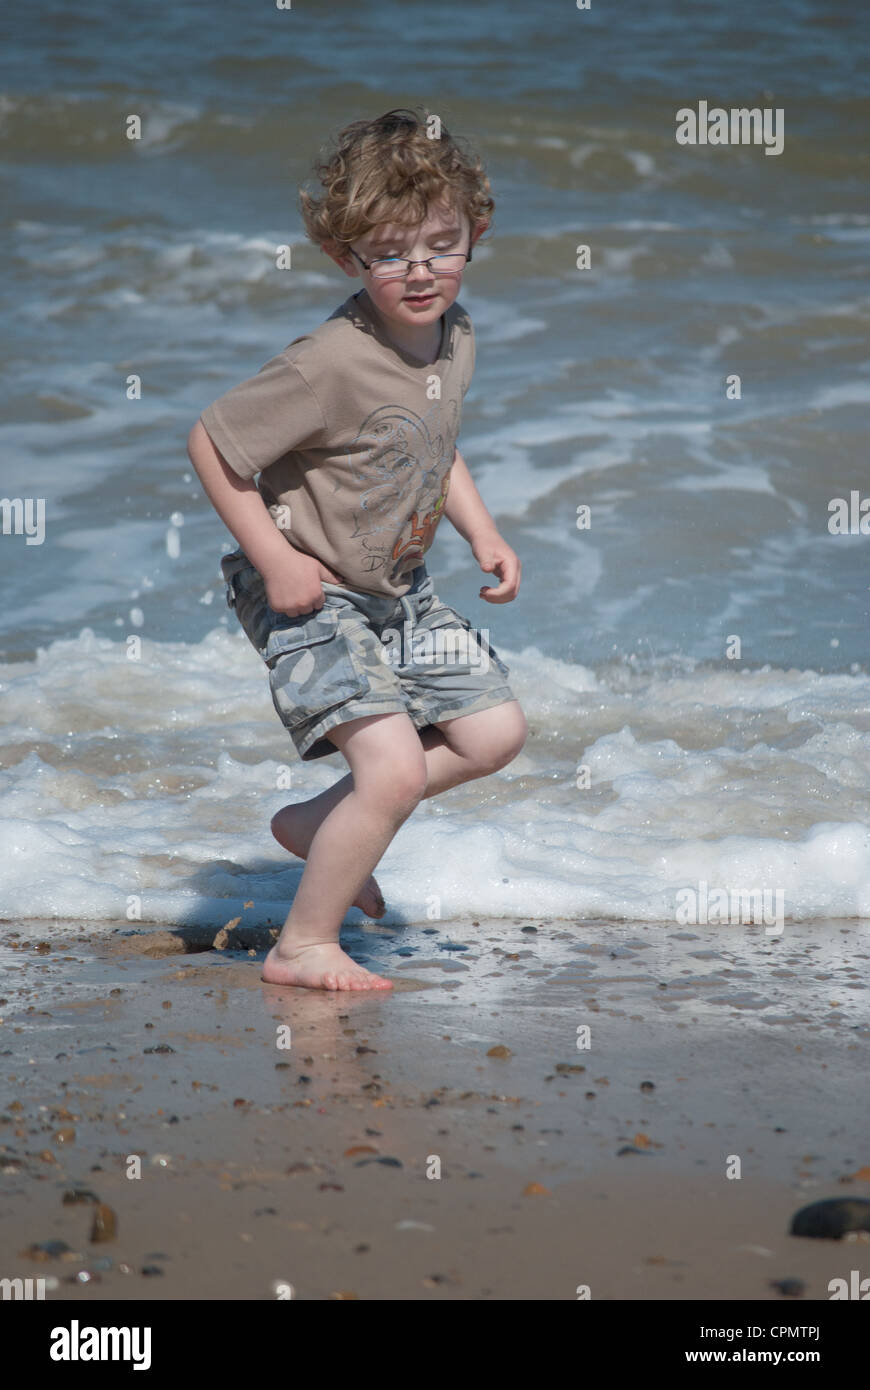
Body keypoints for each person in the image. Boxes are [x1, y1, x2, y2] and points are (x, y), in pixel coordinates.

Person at [187, 108, 527, 990]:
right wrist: (276, 560)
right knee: (395, 768)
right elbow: (214, 447)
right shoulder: (330, 360)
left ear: (474, 234)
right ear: (348, 258)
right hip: (310, 589)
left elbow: (432, 444)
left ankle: (315, 825)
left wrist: (482, 531)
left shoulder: (456, 337)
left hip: (395, 587)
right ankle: (304, 945)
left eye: (440, 246)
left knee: (494, 733)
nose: (420, 271)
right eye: (390, 253)